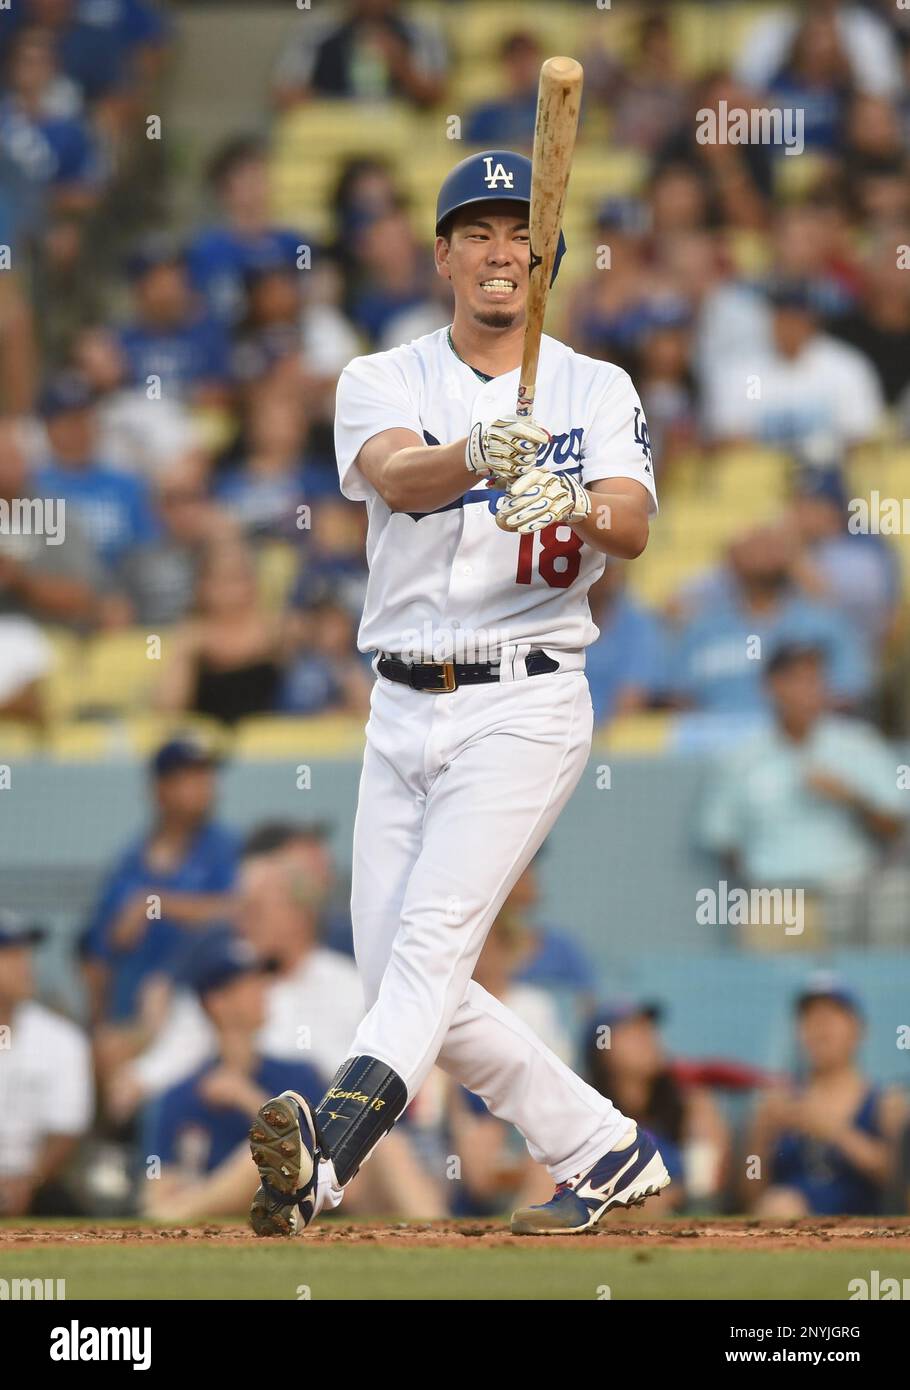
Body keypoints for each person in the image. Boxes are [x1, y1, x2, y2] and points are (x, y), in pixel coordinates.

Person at [247, 147, 670, 1242]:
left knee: (430, 946)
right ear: (441, 255)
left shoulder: (595, 385)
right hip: (399, 703)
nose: (499, 251)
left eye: (520, 233)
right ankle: (602, 1147)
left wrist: (569, 500)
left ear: (547, 257)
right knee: (398, 977)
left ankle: (325, 1163)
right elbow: (397, 477)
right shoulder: (381, 375)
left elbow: (629, 524)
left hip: (526, 697)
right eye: (476, 231)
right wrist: (477, 452)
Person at [139, 930, 324, 1221]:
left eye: (262, 980)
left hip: (301, 1213)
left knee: (267, 1154)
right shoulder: (181, 1096)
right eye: (249, 983)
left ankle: (178, 1216)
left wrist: (246, 1098)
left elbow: (320, 1161)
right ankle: (178, 1215)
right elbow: (158, 1189)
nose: (263, 989)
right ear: (217, 1002)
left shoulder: (299, 1075)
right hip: (225, 1227)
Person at [699, 643, 906, 896]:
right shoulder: (741, 758)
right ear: (771, 687)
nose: (809, 692)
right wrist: (760, 879)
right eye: (797, 681)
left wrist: (851, 797)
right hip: (775, 892)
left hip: (851, 889)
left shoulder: (859, 745)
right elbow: (722, 837)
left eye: (815, 681)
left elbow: (896, 826)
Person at [81, 736, 239, 1054]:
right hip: (131, 1022)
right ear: (160, 789)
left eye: (207, 776)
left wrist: (157, 904)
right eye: (190, 777)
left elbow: (240, 912)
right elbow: (99, 952)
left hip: (203, 1024)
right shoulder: (129, 861)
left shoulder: (226, 849)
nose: (205, 787)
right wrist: (96, 1025)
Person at [745, 978, 906, 1216]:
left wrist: (836, 1132)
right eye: (810, 1018)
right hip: (781, 1221)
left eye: (832, 1017)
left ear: (858, 1029)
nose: (820, 1027)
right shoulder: (778, 1104)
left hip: (861, 1226)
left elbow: (899, 1181)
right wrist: (760, 1140)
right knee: (780, 1204)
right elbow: (750, 1195)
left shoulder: (886, 1103)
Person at [582, 1001, 730, 1213]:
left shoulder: (689, 1108)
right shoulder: (586, 1119)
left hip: (682, 1216)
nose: (648, 1038)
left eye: (649, 1030)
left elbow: (707, 1188)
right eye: (633, 1032)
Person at [0, 911, 93, 1216]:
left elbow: (65, 1131)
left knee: (64, 1210)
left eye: (25, 954)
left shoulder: (62, 1038)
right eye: (10, 955)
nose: (25, 966)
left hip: (35, 1185)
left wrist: (28, 1183)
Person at [272, 0, 447, 111]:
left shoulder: (422, 28)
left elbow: (435, 96)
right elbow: (285, 93)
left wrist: (401, 65)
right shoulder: (316, 28)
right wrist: (329, 102)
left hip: (398, 133)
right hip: (333, 129)